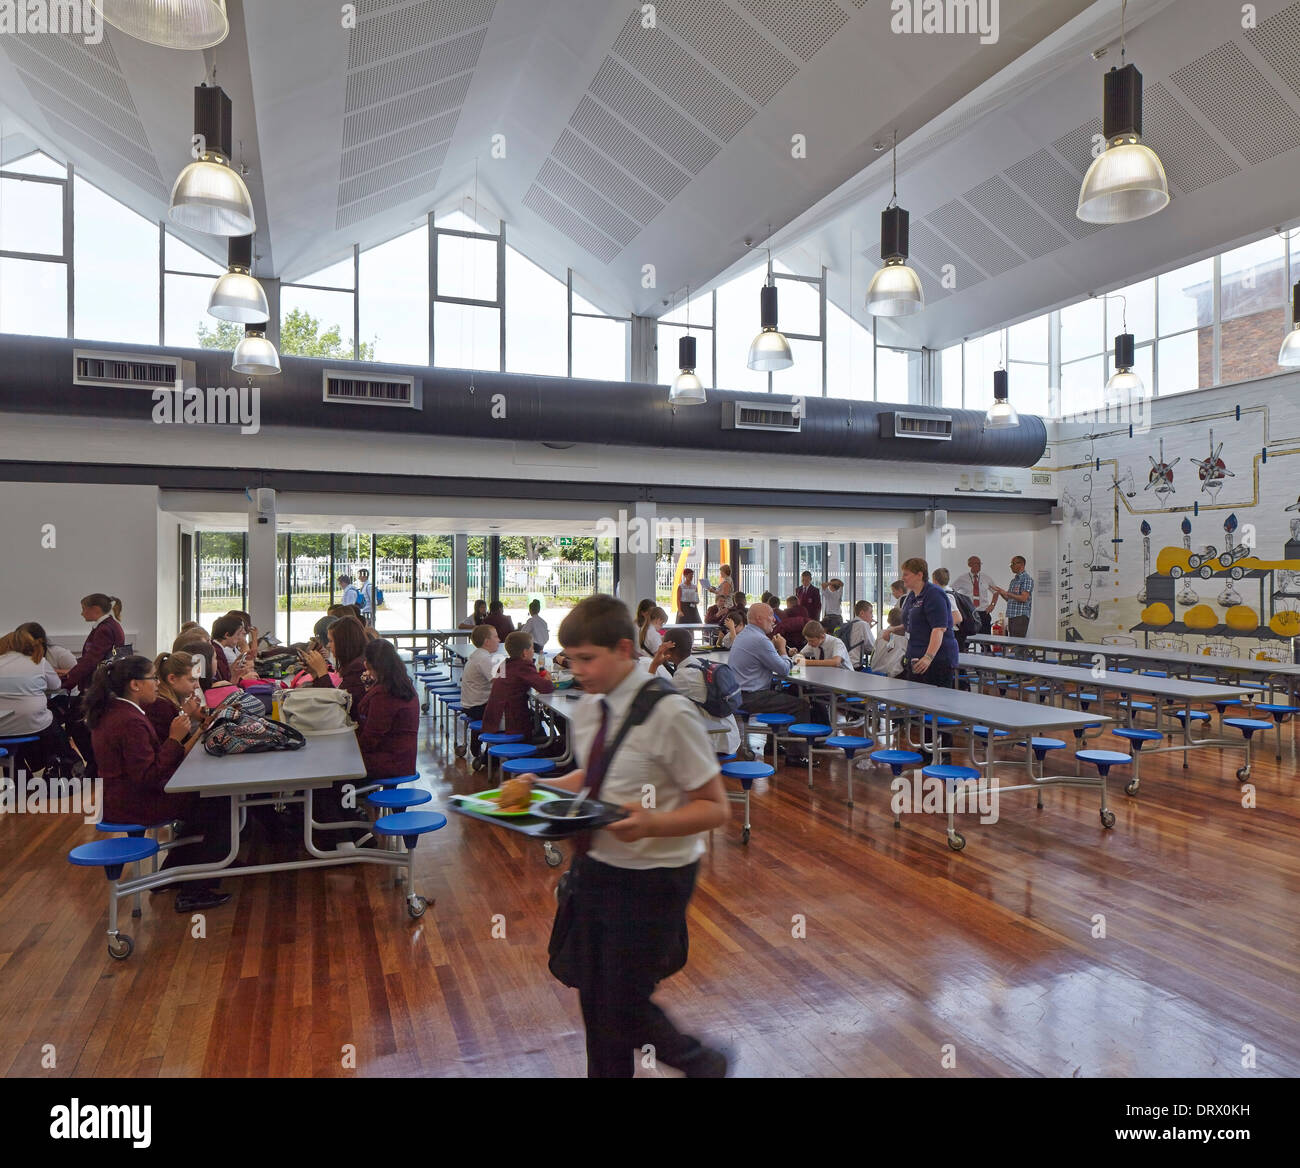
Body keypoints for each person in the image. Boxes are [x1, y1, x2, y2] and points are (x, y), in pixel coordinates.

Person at [517, 595, 729, 1077]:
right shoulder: (592, 707)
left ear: (623, 650)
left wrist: (650, 822)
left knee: (622, 1006)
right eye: (571, 659)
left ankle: (704, 1064)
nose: (578, 670)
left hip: (656, 878)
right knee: (596, 1003)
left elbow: (714, 806)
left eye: (587, 659)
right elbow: (594, 778)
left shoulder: (669, 713)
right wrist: (541, 787)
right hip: (598, 869)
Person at [85, 656, 231, 912]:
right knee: (221, 803)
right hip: (135, 803)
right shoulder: (130, 721)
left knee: (209, 800)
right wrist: (175, 739)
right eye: (152, 678)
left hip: (124, 798)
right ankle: (195, 888)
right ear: (135, 685)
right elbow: (149, 776)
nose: (156, 683)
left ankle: (183, 868)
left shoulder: (119, 712)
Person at [728, 603, 810, 763]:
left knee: (784, 696)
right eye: (771, 615)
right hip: (750, 697)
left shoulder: (745, 635)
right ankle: (796, 755)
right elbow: (784, 670)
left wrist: (777, 650)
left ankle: (773, 745)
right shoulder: (760, 640)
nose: (774, 619)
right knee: (801, 705)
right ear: (759, 618)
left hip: (737, 693)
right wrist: (783, 650)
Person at [653, 629, 742, 753]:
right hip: (729, 734)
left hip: (716, 742)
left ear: (669, 647)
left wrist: (654, 664)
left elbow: (653, 700)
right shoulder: (699, 663)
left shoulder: (684, 676)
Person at [0, 627, 68, 774]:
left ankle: (18, 778)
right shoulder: (39, 662)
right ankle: (58, 768)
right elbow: (56, 686)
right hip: (34, 725)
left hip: (2, 729)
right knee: (52, 725)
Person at [353, 639, 418, 782]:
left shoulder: (384, 695)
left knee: (336, 769)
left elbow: (370, 739)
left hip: (388, 762)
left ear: (368, 664)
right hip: (403, 759)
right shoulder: (402, 684)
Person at [482, 630, 556, 738]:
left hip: (494, 718)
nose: (533, 651)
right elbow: (546, 688)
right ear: (525, 653)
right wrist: (548, 679)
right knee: (537, 722)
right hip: (509, 721)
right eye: (532, 648)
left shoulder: (504, 664)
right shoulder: (523, 666)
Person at [900, 558, 958, 689]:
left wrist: (928, 657)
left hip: (936, 659)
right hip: (915, 656)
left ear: (919, 575)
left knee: (935, 702)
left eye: (906, 574)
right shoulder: (911, 596)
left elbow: (939, 628)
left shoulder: (934, 594)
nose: (903, 577)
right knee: (915, 700)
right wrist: (892, 630)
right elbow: (910, 623)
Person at [300, 615, 368, 709]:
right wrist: (315, 673)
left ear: (343, 643)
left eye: (331, 641)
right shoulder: (355, 663)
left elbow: (336, 705)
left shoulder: (358, 669)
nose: (328, 645)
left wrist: (322, 672)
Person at [61, 593, 125, 694]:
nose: (82, 613)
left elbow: (91, 660)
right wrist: (71, 667)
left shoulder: (104, 629)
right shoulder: (110, 625)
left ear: (95, 609)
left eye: (83, 609)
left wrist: (65, 682)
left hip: (99, 686)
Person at [460, 624, 501, 765]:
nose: (499, 639)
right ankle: (492, 756)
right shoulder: (484, 658)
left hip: (470, 703)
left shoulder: (478, 655)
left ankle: (478, 742)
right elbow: (499, 682)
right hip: (478, 706)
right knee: (511, 713)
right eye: (496, 636)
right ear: (487, 641)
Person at [953, 555, 998, 637]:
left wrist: (992, 605)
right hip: (968, 614)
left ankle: (985, 650)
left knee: (986, 642)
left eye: (980, 563)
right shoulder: (962, 578)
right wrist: (959, 606)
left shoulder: (986, 578)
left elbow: (996, 592)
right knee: (965, 640)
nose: (979, 565)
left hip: (983, 613)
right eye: (976, 563)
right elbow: (952, 591)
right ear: (969, 565)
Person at [991, 556, 1033, 637]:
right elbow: (1009, 599)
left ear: (1021, 564)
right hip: (1012, 616)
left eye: (1013, 563)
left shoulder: (1026, 579)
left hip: (1020, 617)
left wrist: (1007, 593)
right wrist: (1001, 592)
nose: (1011, 566)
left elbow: (1024, 598)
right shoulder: (1014, 581)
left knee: (1017, 645)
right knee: (1013, 643)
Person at [871, 609, 906, 677]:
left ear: (889, 620)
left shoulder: (881, 633)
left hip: (875, 671)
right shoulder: (904, 639)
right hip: (892, 675)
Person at [840, 601, 875, 669]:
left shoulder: (851, 623)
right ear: (862, 613)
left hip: (843, 664)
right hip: (855, 667)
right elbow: (872, 647)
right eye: (870, 612)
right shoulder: (863, 624)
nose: (872, 615)